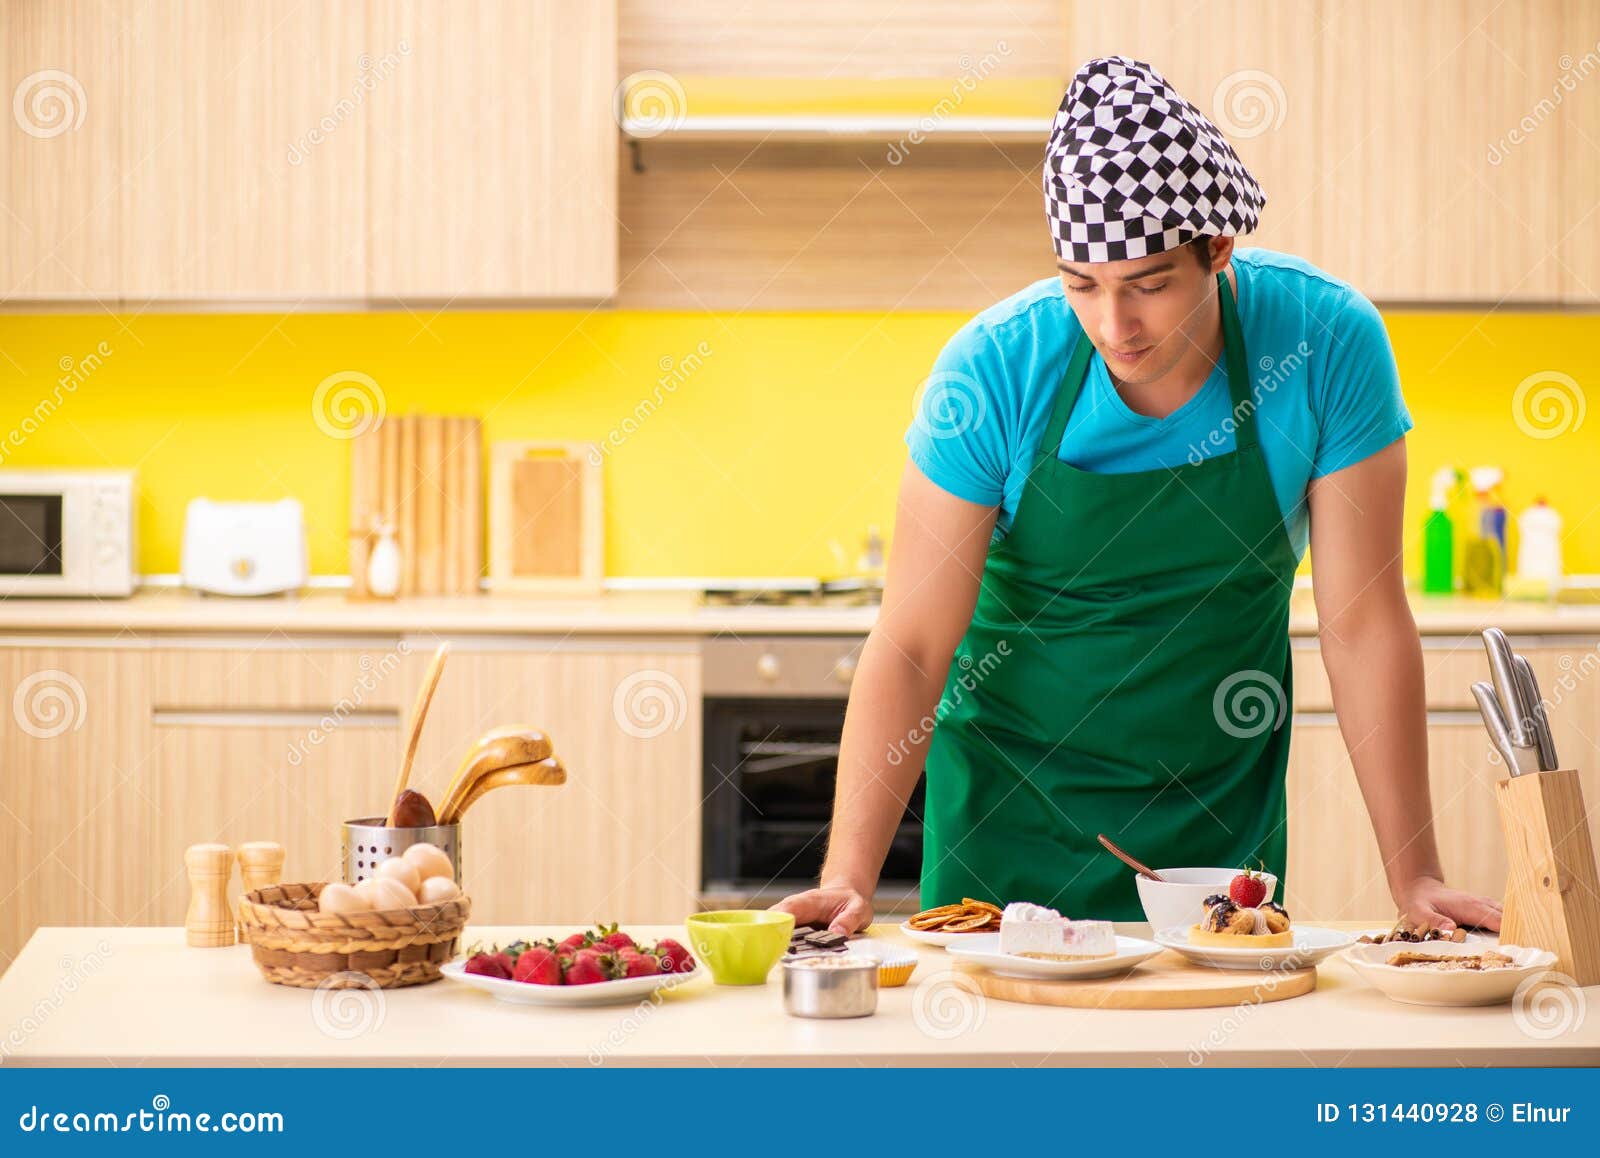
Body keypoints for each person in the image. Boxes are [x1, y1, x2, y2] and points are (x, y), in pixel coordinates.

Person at [773, 57, 1502, 935]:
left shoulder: (1323, 342)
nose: (1114, 326)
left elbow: (1363, 625)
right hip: (1006, 819)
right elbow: (914, 645)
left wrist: (1416, 875)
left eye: (1149, 285)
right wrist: (848, 875)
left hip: (1213, 821)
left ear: (1217, 250)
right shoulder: (995, 367)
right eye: (1081, 284)